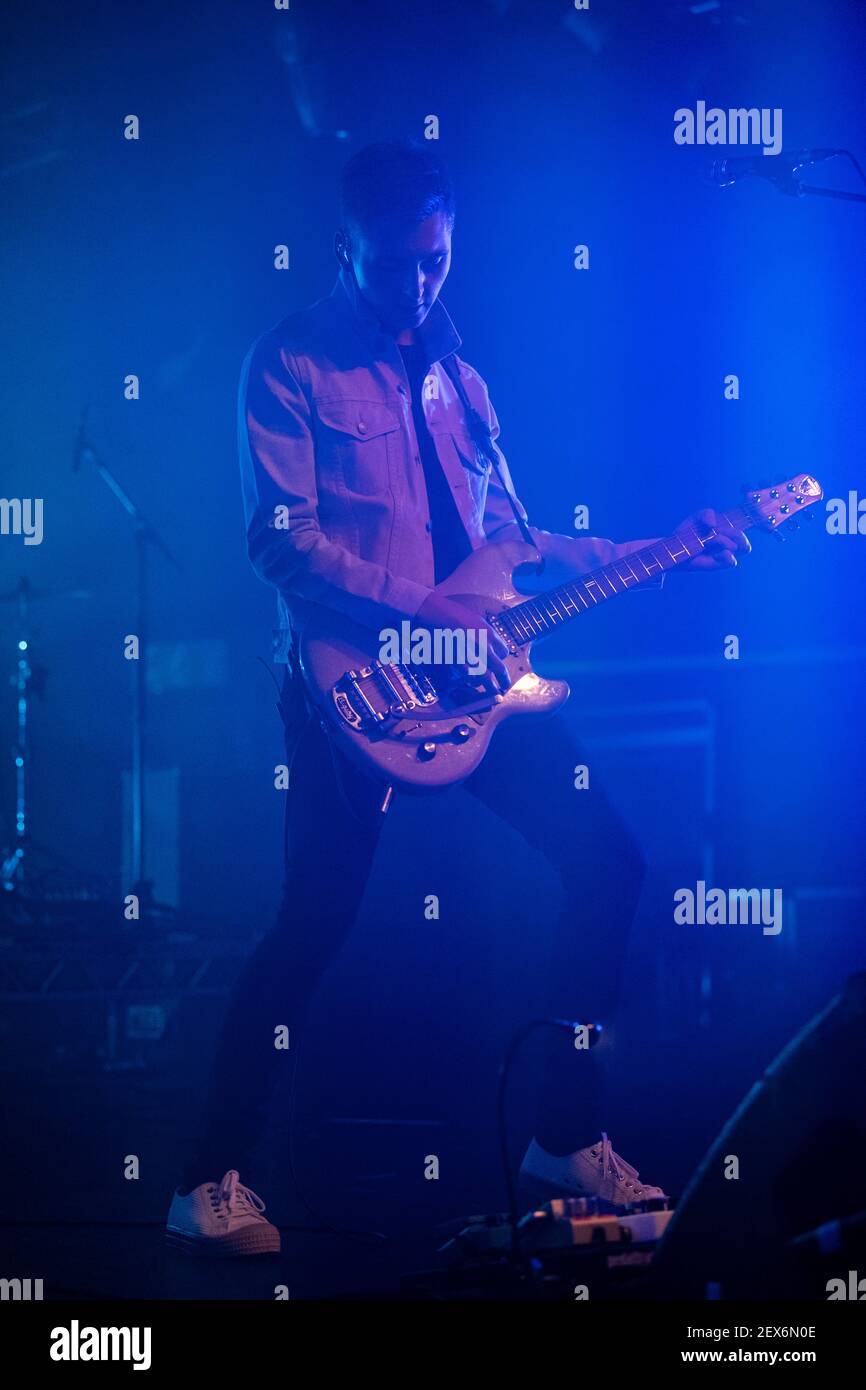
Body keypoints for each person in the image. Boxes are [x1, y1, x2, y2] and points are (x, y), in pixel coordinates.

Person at [166, 140, 750, 1257]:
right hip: (354, 687)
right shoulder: (288, 362)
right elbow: (280, 545)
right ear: (344, 246)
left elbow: (512, 546)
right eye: (392, 265)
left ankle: (564, 1138)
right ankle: (200, 1182)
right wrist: (429, 619)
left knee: (607, 860)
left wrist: (660, 547)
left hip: (475, 680)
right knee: (312, 926)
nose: (417, 286)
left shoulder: (462, 383)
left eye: (433, 260)